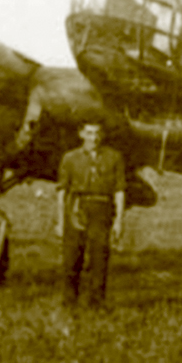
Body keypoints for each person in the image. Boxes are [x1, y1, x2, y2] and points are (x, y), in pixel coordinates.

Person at [55, 121, 125, 309]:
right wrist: (60, 221)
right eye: (89, 133)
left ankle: (97, 303)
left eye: (97, 133)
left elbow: (119, 190)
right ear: (81, 134)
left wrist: (119, 220)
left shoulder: (114, 157)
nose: (93, 138)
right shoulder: (70, 158)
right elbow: (62, 190)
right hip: (77, 207)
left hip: (102, 207)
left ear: (102, 135)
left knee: (99, 256)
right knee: (72, 257)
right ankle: (69, 302)